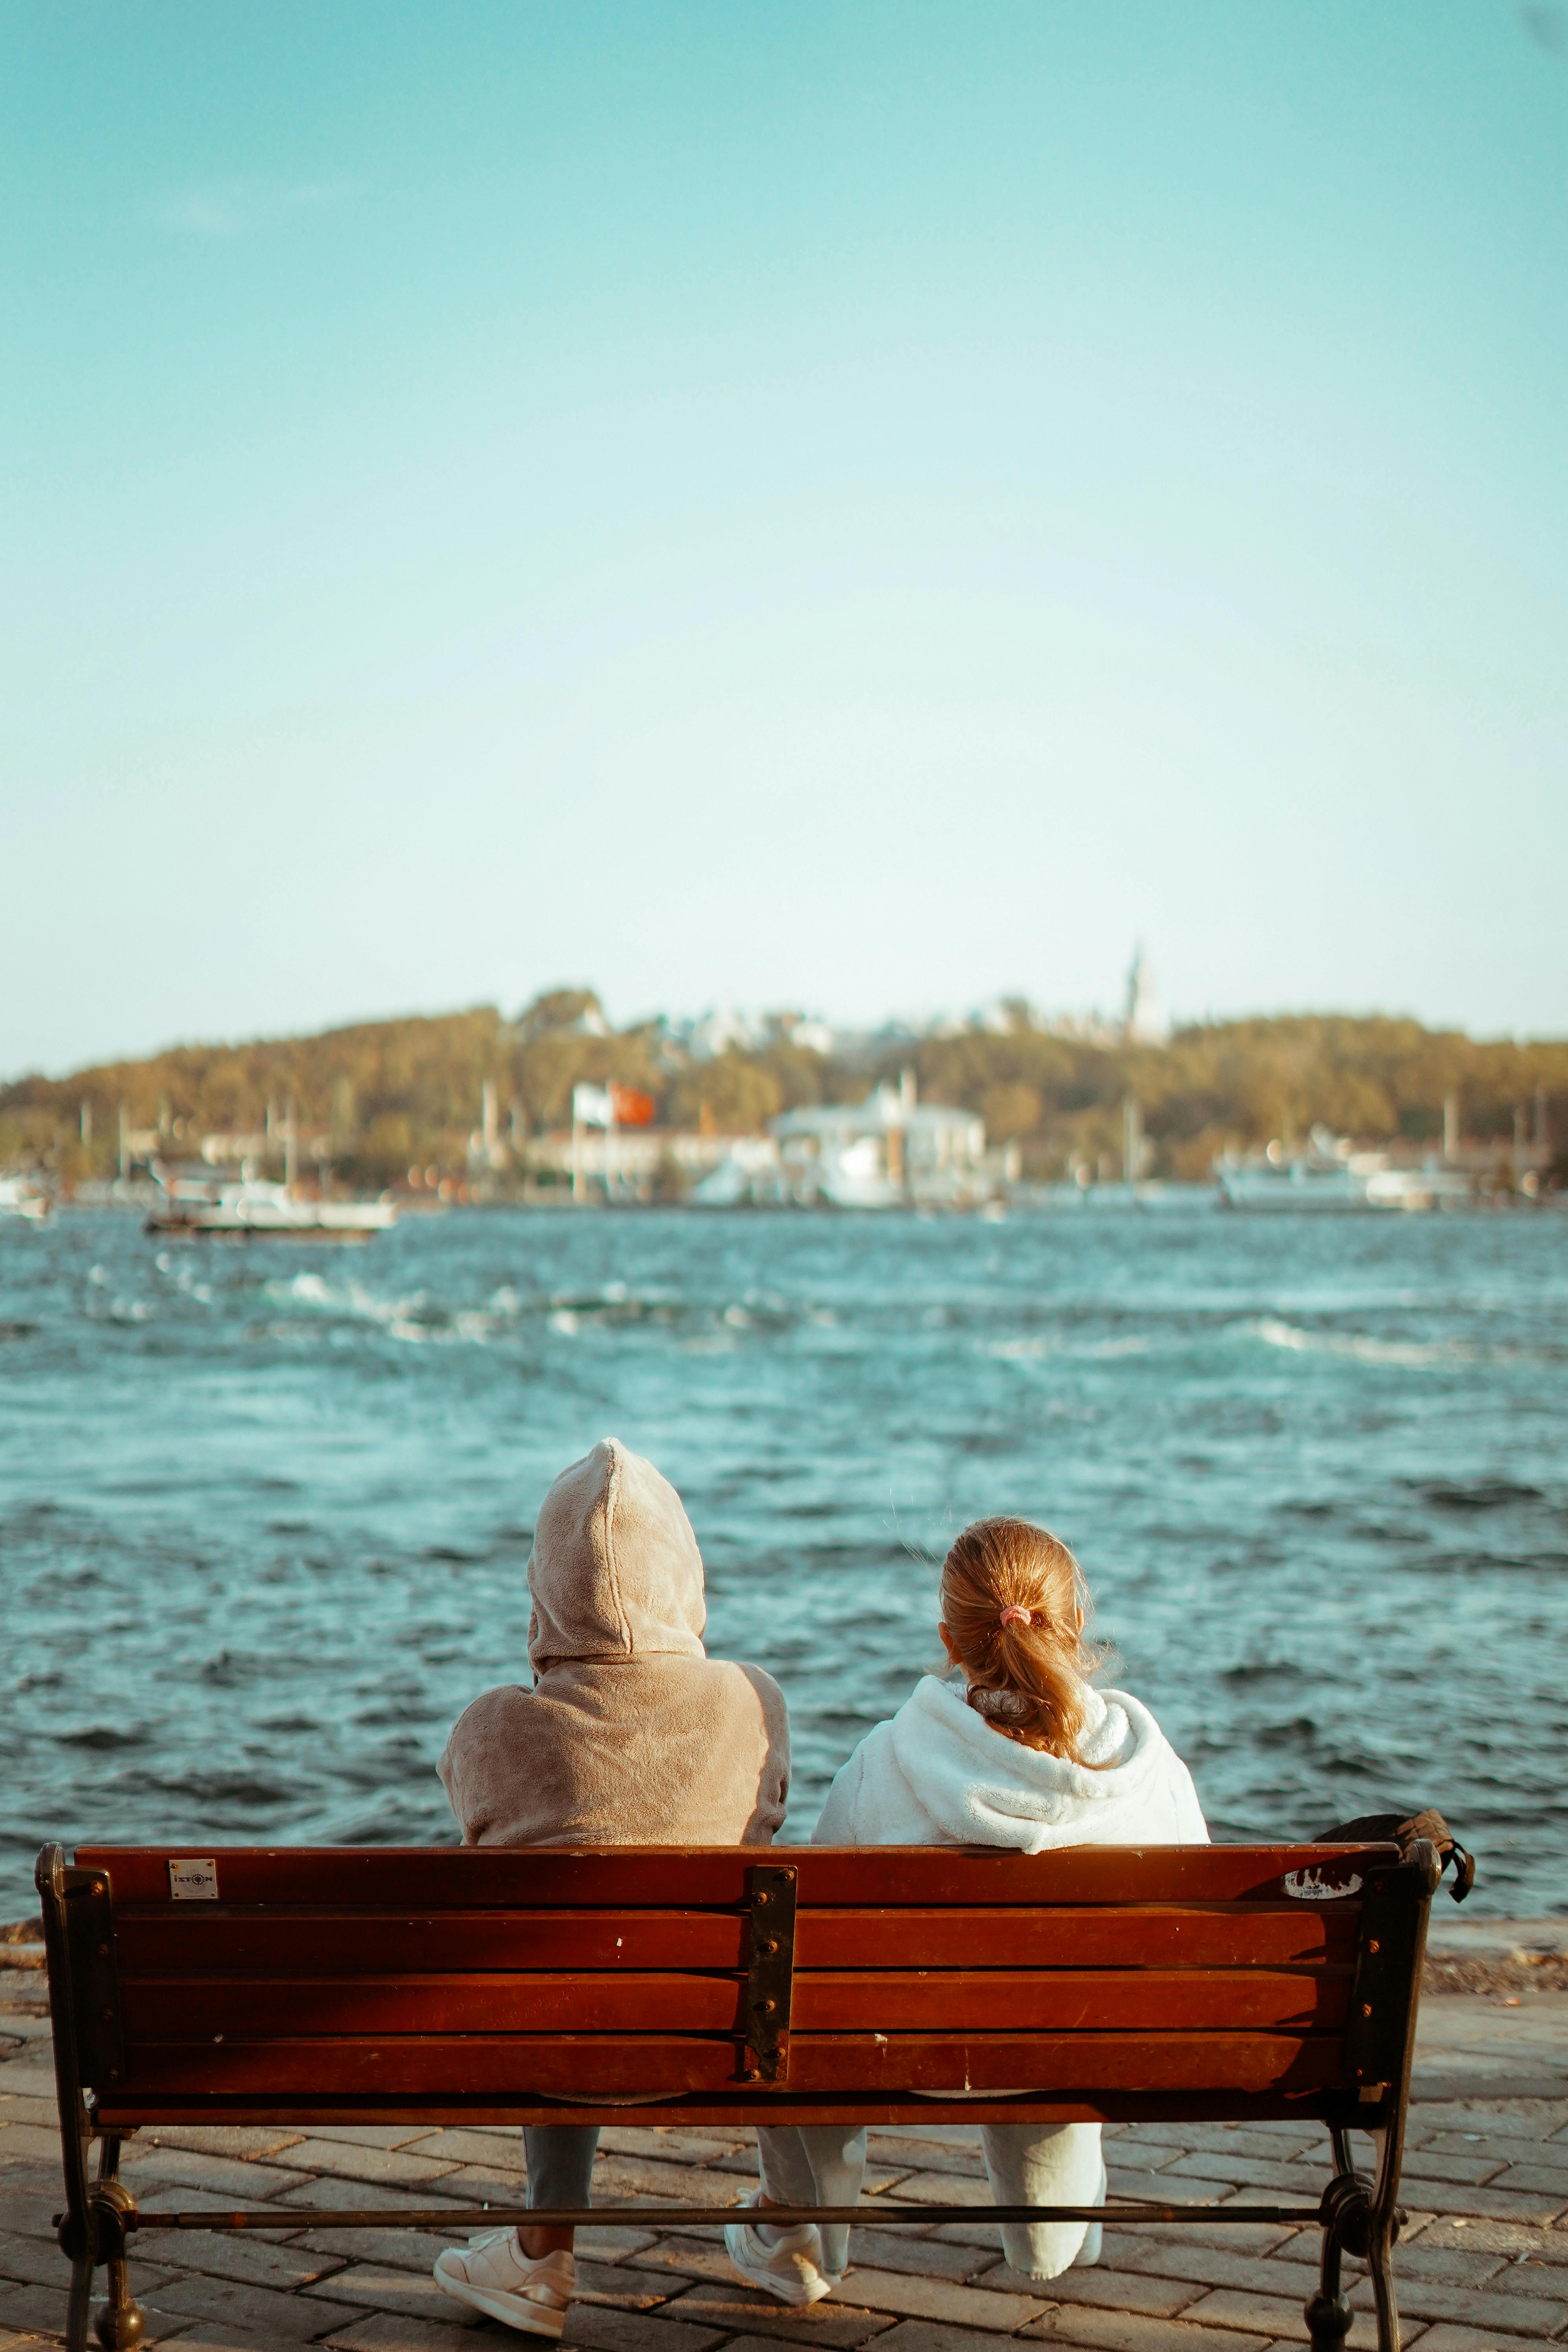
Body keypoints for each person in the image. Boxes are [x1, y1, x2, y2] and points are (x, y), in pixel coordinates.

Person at [727, 1513, 1207, 2308]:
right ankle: (1053, 2225)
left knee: (785, 1993)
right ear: (1073, 1624)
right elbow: (1193, 1929)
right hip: (1094, 2047)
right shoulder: (1145, 1766)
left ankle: (799, 2232)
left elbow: (810, 1937)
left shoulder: (886, 1758)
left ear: (949, 1639)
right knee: (1065, 2000)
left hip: (910, 2051)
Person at [432, 1437, 789, 2339]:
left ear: (547, 1586)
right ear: (686, 1573)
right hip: (717, 2031)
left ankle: (543, 2248)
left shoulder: (494, 1726)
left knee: (557, 1963)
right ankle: (796, 2225)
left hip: (559, 2036)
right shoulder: (754, 1702)